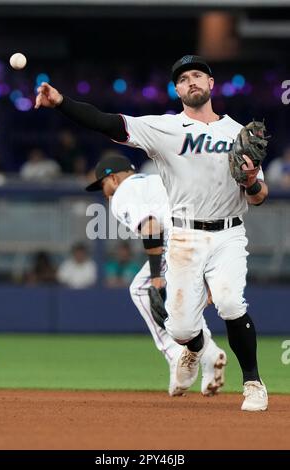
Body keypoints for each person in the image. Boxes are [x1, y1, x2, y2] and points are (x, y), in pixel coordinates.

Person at [35, 54, 268, 410]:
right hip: (185, 237)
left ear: (211, 84)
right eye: (183, 78)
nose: (191, 81)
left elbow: (259, 197)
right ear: (176, 90)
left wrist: (252, 181)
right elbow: (107, 123)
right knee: (181, 329)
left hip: (228, 234)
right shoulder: (166, 129)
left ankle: (253, 382)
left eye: (197, 75)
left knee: (230, 302)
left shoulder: (237, 133)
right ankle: (190, 350)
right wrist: (61, 102)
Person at [86, 153, 226, 396]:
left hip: (180, 240)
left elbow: (151, 227)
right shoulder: (154, 180)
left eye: (104, 185)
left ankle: (177, 355)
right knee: (182, 303)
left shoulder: (122, 194)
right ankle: (209, 357)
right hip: (212, 235)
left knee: (142, 289)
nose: (104, 192)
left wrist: (156, 275)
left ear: (115, 179)